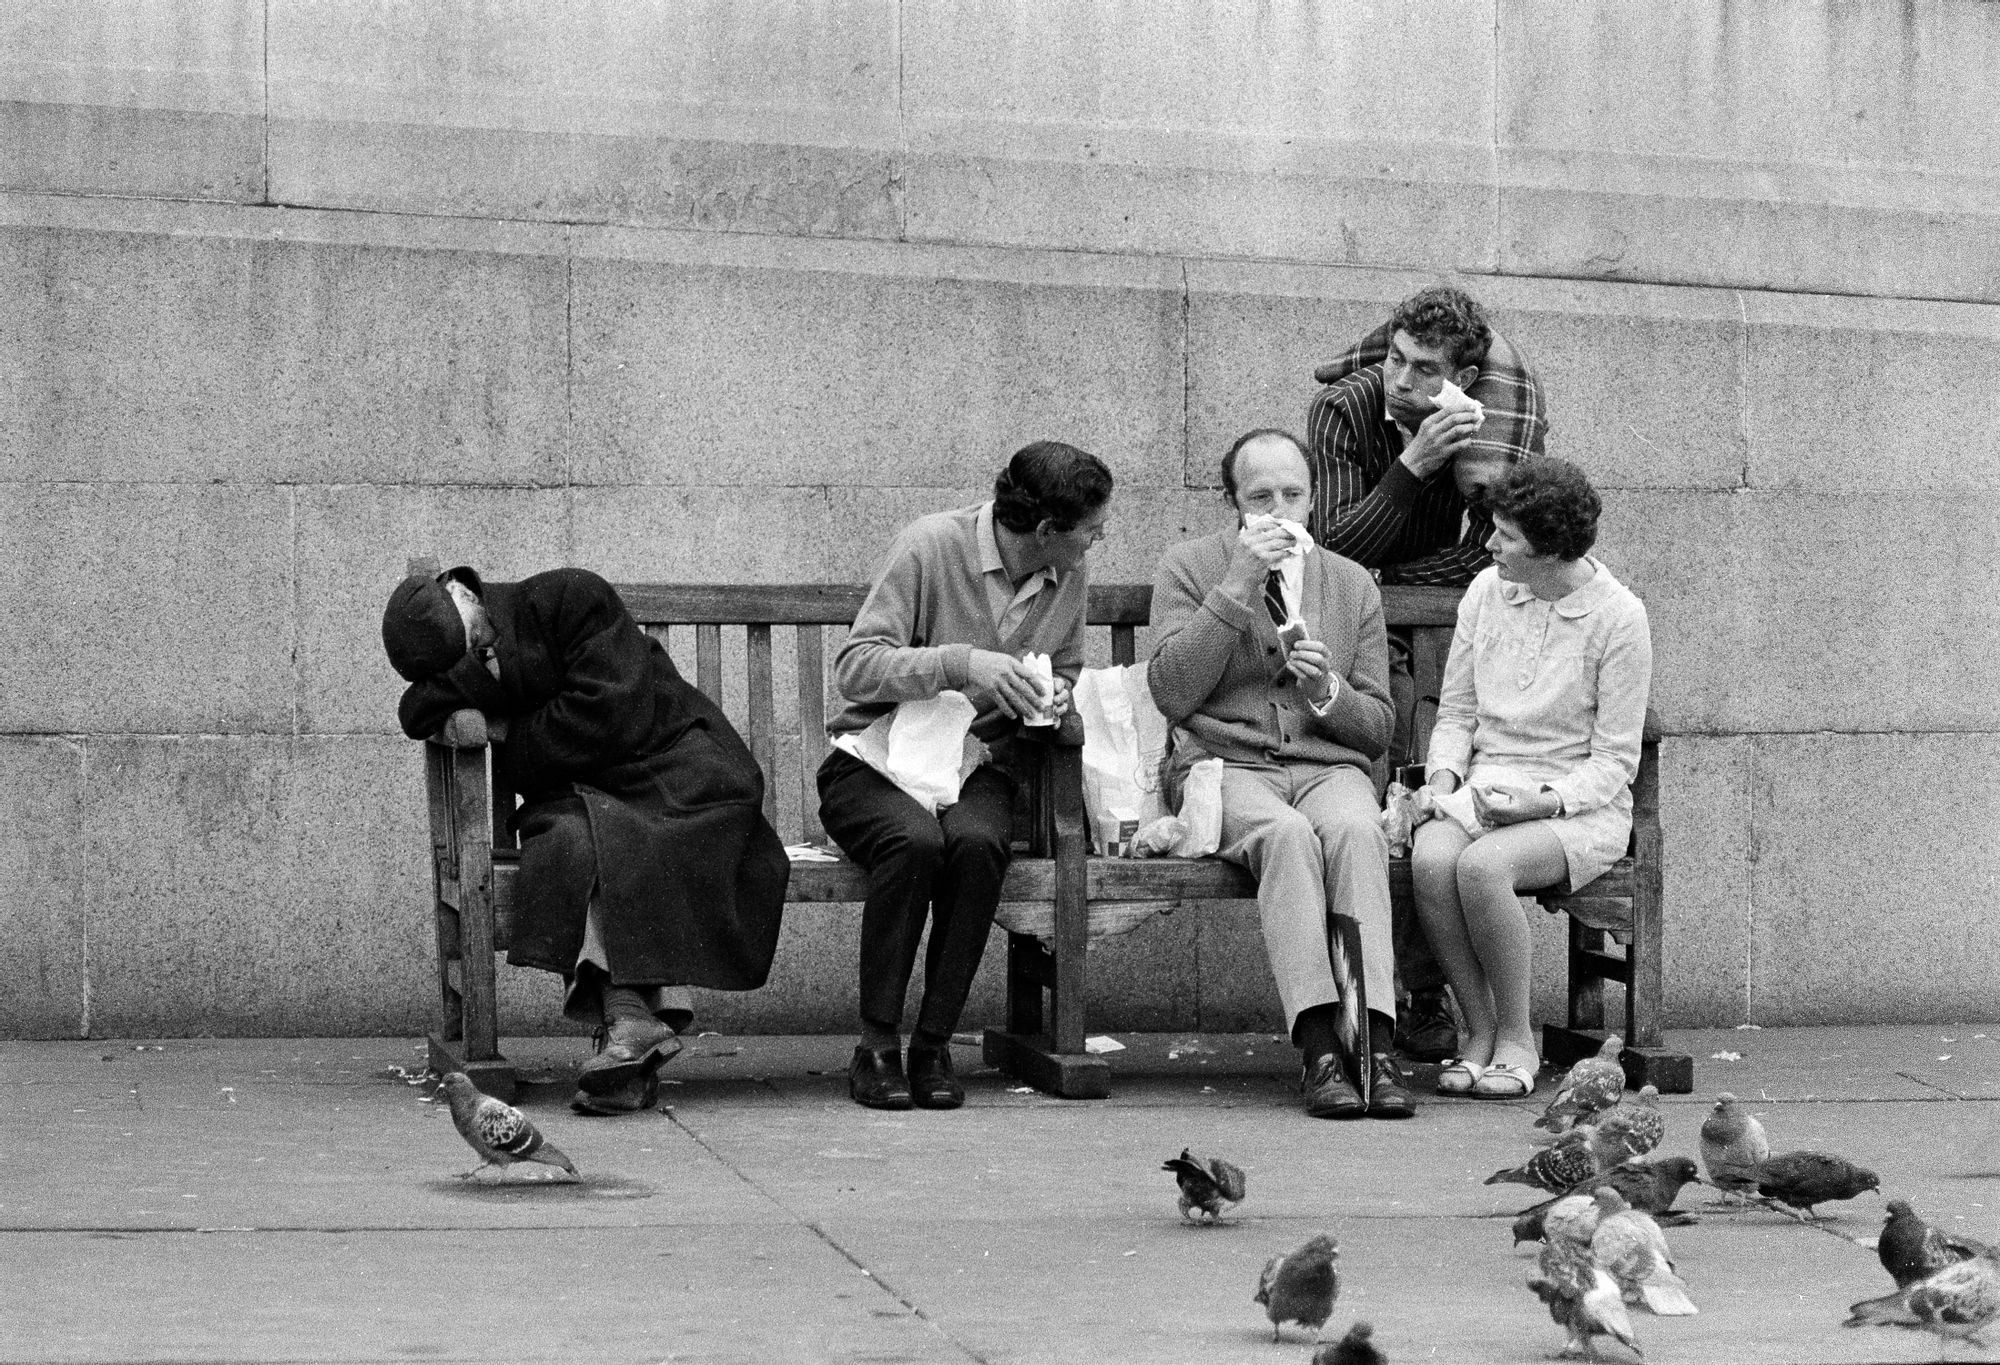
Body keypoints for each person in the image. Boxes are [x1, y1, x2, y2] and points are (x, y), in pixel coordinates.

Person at [383, 565, 789, 1115]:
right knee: (571, 839)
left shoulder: (570, 597)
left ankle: (627, 1023)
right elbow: (416, 712)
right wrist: (473, 674)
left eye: (472, 642)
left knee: (617, 837)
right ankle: (629, 1037)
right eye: (461, 659)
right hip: (588, 790)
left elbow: (608, 715)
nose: (475, 658)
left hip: (679, 769)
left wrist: (517, 736)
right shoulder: (470, 650)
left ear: (464, 593)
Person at [818, 441, 1113, 1111]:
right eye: (1090, 528)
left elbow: (1063, 669)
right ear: (1046, 532)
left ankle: (932, 1043)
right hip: (873, 758)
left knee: (979, 844)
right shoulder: (929, 546)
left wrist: (1052, 698)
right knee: (915, 841)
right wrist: (964, 663)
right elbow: (856, 666)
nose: (1099, 538)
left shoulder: (1068, 575)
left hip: (973, 761)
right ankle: (877, 1044)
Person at [1303, 285, 1550, 1066]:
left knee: (1425, 771)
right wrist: (1412, 465)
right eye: (1396, 360)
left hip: (1449, 639)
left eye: (1424, 369)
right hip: (1354, 637)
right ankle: (1394, 990)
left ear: (1464, 377)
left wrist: (1395, 566)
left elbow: (1494, 552)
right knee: (1386, 757)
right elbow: (1335, 546)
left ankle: (1425, 991)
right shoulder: (1346, 409)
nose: (1401, 382)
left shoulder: (1488, 436)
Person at [1147, 429, 1410, 1120]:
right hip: (1225, 764)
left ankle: (1374, 1043)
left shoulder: (1352, 584)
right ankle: (1321, 1046)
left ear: (1314, 497)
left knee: (1357, 831)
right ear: (1232, 502)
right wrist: (1236, 585)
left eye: (1294, 494)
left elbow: (1378, 727)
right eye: (1261, 496)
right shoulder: (1189, 567)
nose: (1280, 510)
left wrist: (1327, 691)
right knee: (1286, 837)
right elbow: (1172, 691)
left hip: (1328, 767)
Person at [1410, 457, 1652, 1100]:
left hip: (1577, 805)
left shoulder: (1620, 618)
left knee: (1484, 868)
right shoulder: (1486, 592)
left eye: (1507, 537)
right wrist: (1440, 781)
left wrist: (1542, 801)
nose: (1490, 545)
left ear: (1551, 551)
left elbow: (1615, 762)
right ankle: (1477, 1032)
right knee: (1432, 859)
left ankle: (1517, 1039)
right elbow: (1457, 712)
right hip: (1488, 786)